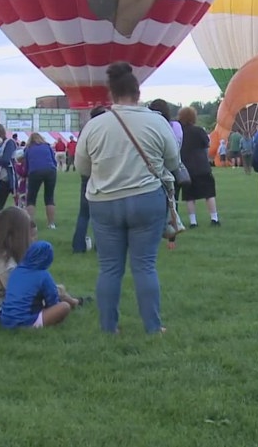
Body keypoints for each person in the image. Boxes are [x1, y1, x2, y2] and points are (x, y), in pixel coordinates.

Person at [76, 62, 181, 334]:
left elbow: (82, 168)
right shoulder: (157, 121)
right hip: (146, 199)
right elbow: (172, 161)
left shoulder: (94, 126)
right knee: (145, 266)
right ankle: (153, 326)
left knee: (109, 269)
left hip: (104, 201)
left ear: (111, 94)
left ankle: (109, 327)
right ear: (138, 92)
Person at [0, 240, 81, 329]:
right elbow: (52, 301)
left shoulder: (17, 270)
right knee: (64, 306)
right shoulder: (43, 275)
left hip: (5, 320)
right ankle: (75, 303)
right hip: (24, 321)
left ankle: (75, 302)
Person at [177, 106, 219, 227]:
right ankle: (214, 219)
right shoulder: (199, 131)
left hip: (186, 168)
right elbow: (207, 146)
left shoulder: (180, 133)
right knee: (209, 193)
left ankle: (193, 221)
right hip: (202, 167)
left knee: (189, 196)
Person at [72, 107, 107, 254]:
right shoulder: (107, 131)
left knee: (84, 213)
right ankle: (101, 246)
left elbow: (79, 154)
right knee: (102, 214)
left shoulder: (85, 131)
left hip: (87, 173)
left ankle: (78, 245)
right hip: (103, 173)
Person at [22, 132, 58, 230]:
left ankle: (31, 225)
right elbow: (54, 161)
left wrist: (24, 175)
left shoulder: (28, 149)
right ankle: (51, 224)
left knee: (31, 198)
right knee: (49, 197)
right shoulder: (47, 146)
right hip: (50, 171)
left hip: (35, 172)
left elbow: (26, 165)